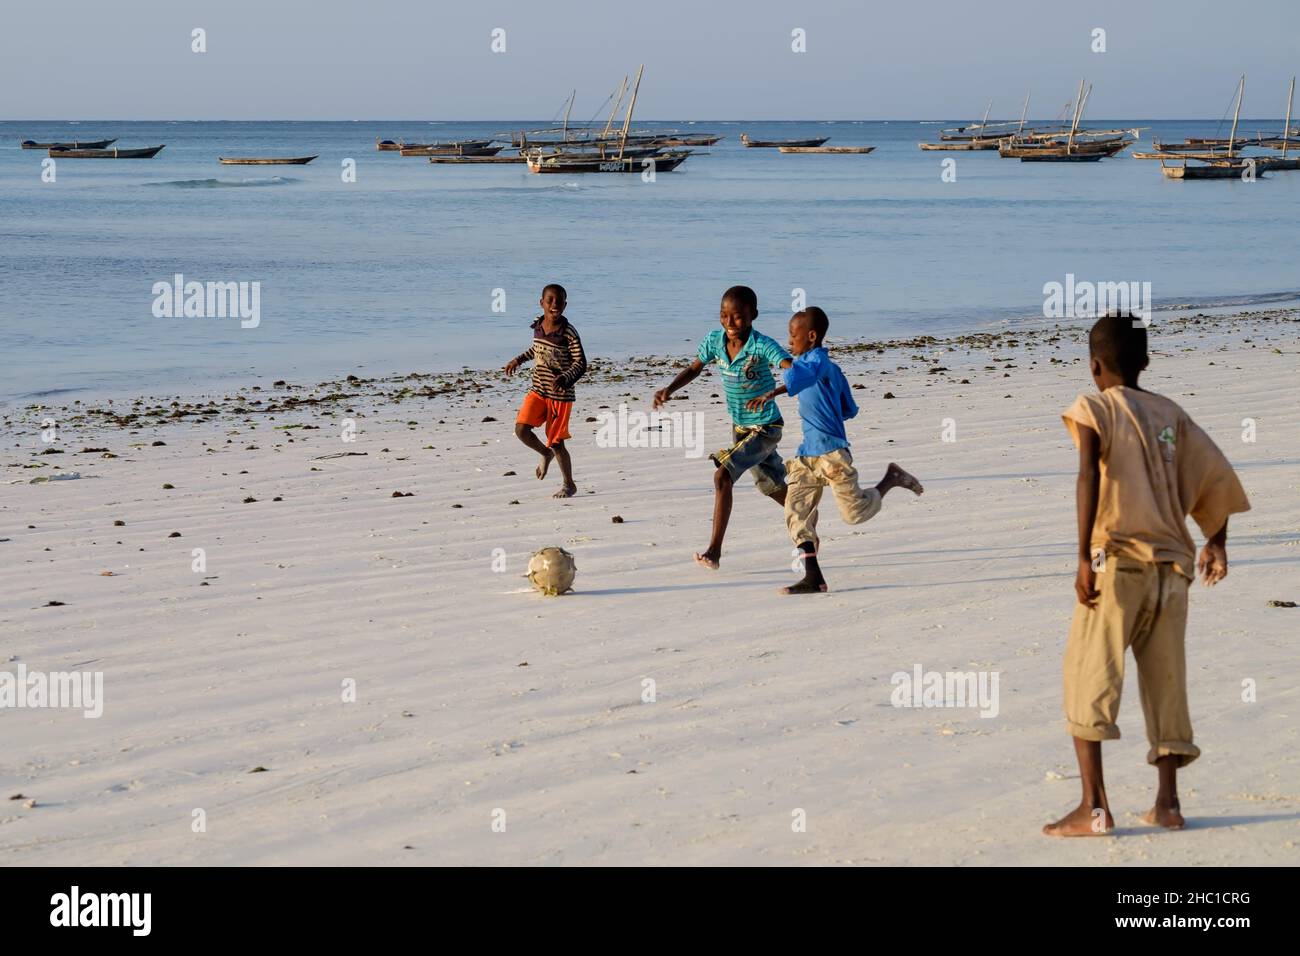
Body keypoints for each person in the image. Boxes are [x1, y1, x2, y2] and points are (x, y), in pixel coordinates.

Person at [1043, 313, 1251, 837]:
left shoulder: (1094, 406)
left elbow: (1088, 472)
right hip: (1173, 569)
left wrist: (1082, 560)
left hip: (1116, 563)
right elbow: (1214, 477)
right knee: (1165, 684)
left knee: (1088, 678)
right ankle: (1168, 805)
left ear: (1094, 365)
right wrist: (1216, 543)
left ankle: (1094, 809)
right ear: (1146, 362)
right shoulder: (1169, 412)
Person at [745, 307, 923, 594]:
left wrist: (771, 393)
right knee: (795, 514)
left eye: (793, 335)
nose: (790, 341)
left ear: (811, 337)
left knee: (854, 515)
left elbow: (799, 378)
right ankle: (813, 577)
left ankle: (891, 479)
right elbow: (848, 410)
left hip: (833, 456)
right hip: (806, 456)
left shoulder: (817, 363)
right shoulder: (826, 369)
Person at [652, 285, 790, 568]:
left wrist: (801, 377)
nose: (729, 323)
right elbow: (694, 368)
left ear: (753, 316)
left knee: (722, 477)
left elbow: (791, 366)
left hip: (765, 427)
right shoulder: (715, 341)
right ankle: (805, 517)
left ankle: (714, 551)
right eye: (724, 315)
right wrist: (670, 389)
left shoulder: (761, 345)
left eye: (737, 317)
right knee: (771, 486)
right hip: (740, 428)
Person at [503, 284, 587, 498]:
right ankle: (544, 453)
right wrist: (518, 359)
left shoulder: (568, 332)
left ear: (565, 305)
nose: (554, 305)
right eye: (550, 300)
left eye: (559, 301)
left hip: (560, 395)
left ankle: (569, 484)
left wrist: (565, 377)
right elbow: (537, 349)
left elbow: (581, 363)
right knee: (521, 430)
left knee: (557, 442)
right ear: (541, 303)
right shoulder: (538, 326)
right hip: (538, 389)